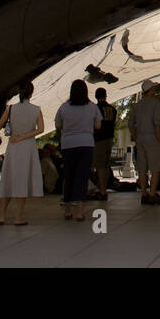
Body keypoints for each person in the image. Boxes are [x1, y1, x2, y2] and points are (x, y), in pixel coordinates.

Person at [0, 81, 43, 225]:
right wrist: (25, 136)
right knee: (22, 180)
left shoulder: (10, 109)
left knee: (8, 178)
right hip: (27, 147)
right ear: (31, 93)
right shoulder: (36, 110)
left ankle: (1, 215)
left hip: (13, 146)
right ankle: (18, 217)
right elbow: (40, 129)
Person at [55, 79, 100, 221]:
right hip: (86, 144)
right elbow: (98, 125)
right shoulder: (92, 107)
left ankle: (67, 209)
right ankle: (80, 211)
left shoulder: (64, 107)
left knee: (68, 176)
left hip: (68, 144)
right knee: (82, 177)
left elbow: (57, 124)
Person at [129, 79, 160, 205]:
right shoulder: (156, 103)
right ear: (150, 90)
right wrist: (159, 141)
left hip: (140, 139)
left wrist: (135, 137)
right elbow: (157, 124)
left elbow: (131, 124)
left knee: (142, 168)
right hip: (152, 138)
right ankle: (152, 193)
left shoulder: (137, 105)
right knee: (156, 167)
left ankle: (144, 194)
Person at [91, 87, 117, 200]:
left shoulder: (95, 109)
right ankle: (104, 188)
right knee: (106, 166)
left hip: (99, 140)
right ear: (105, 95)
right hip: (109, 139)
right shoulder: (112, 109)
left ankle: (102, 191)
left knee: (100, 166)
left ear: (96, 96)